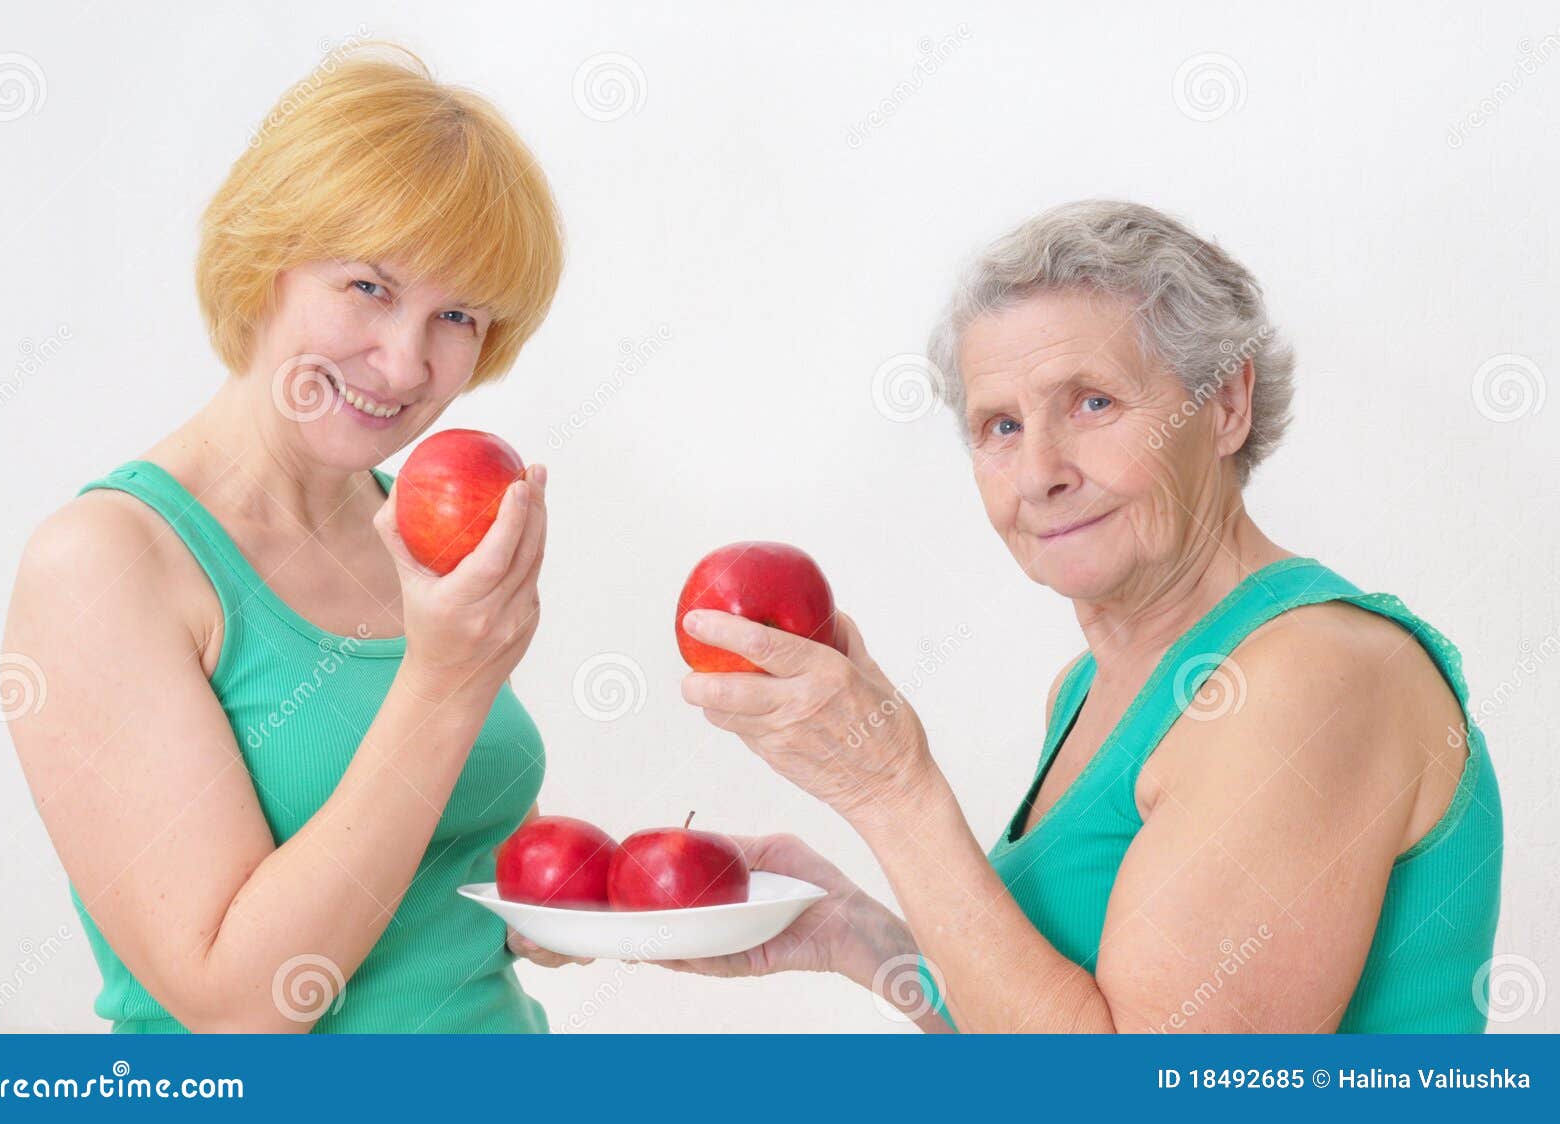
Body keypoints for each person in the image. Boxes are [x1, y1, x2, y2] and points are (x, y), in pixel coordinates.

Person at [515, 200, 1503, 1033]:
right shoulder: (1086, 691)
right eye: (999, 425)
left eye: (1093, 403)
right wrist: (864, 937)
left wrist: (894, 793)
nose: (1040, 473)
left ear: (1226, 403)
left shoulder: (1307, 677)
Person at [3, 44, 563, 1032]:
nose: (403, 360)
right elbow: (240, 1005)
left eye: (456, 314)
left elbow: (413, 880)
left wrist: (580, 892)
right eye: (368, 287)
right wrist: (447, 680)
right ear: (268, 257)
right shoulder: (103, 562)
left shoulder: (415, 528)